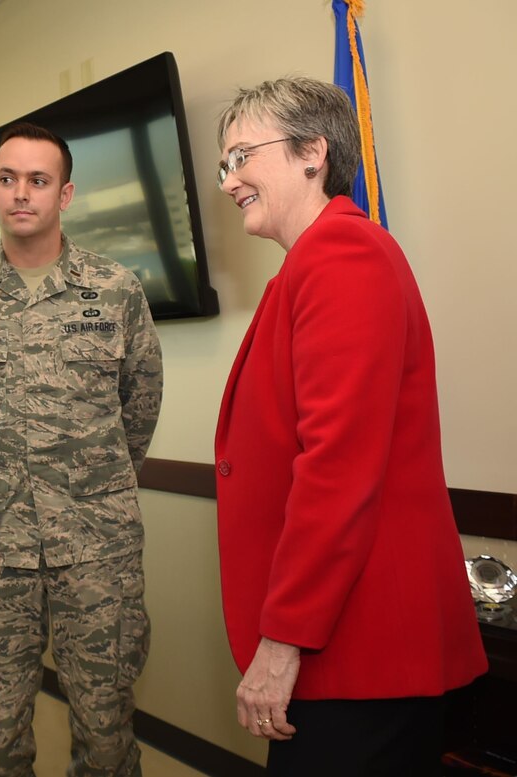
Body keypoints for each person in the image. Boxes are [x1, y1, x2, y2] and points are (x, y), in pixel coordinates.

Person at [213, 77, 487, 775]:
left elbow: (337, 470)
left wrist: (283, 639)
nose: (229, 180)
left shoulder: (344, 255)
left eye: (243, 156)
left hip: (359, 643)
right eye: (224, 164)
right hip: (340, 641)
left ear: (313, 152)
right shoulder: (305, 266)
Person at [0, 122, 162, 776]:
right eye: (7, 178)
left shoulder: (115, 291)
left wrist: (94, 487)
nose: (20, 193)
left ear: (66, 194)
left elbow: (138, 407)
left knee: (106, 730)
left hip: (96, 548)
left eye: (38, 179)